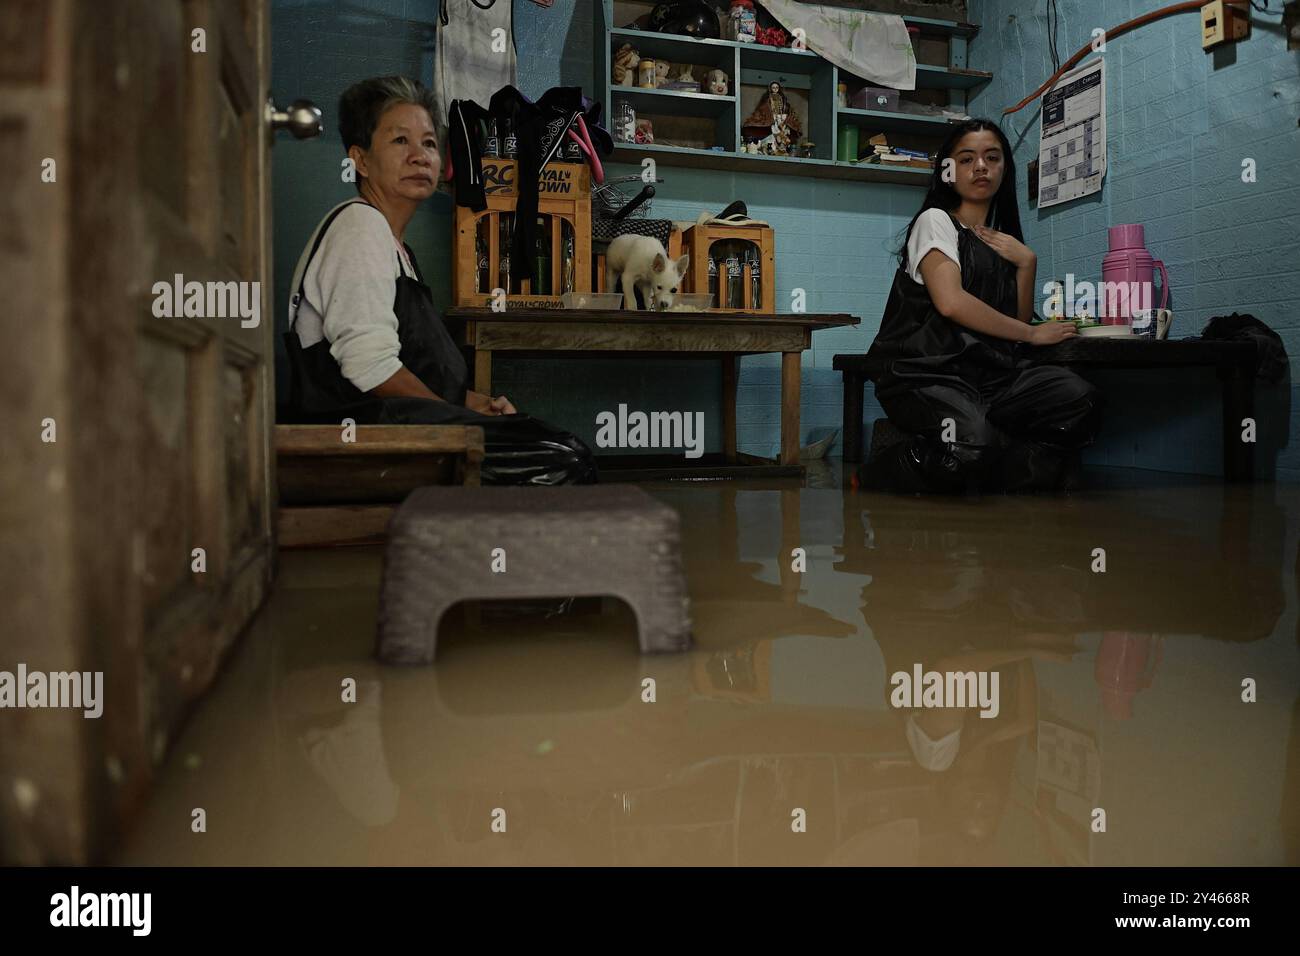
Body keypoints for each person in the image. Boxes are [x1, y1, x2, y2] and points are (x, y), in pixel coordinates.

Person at [281, 76, 597, 486]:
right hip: (359, 439)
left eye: (429, 143)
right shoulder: (358, 226)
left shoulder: (397, 250)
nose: (420, 156)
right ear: (360, 159)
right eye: (400, 142)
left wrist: (473, 404)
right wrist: (458, 424)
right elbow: (369, 371)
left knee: (555, 443)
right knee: (561, 459)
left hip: (394, 425)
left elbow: (410, 371)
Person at [857, 119, 1102, 494]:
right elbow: (952, 303)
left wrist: (1027, 263)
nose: (982, 167)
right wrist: (1033, 332)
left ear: (1005, 169)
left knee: (1077, 398)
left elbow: (1013, 324)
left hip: (988, 377)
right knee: (969, 442)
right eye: (967, 159)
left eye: (992, 157)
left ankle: (995, 475)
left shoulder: (1001, 242)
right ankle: (881, 470)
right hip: (925, 374)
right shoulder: (934, 222)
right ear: (948, 171)